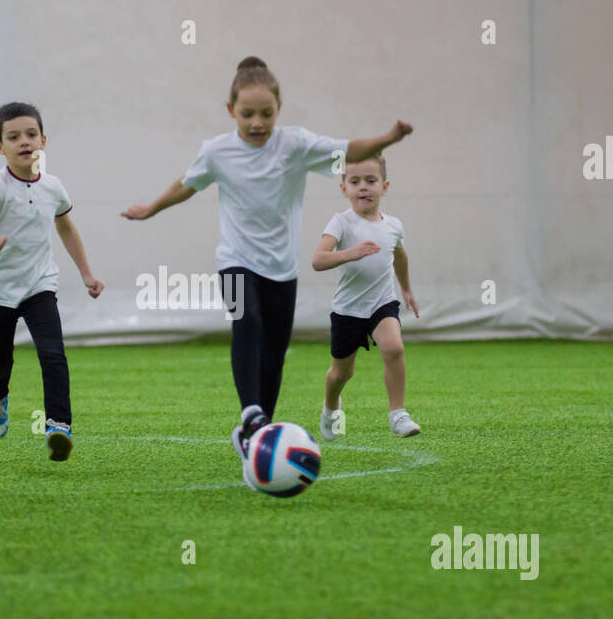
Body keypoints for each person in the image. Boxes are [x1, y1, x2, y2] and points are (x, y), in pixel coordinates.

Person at [122, 57, 412, 459]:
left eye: (265, 114)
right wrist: (151, 208)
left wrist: (387, 139)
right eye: (247, 115)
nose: (257, 123)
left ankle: (257, 434)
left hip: (281, 269)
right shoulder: (217, 151)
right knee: (247, 324)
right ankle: (251, 413)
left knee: (275, 351)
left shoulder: (295, 145)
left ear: (279, 110)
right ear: (230, 111)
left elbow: (348, 151)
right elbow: (187, 185)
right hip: (235, 262)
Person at [0, 101, 103, 461]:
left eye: (31, 134)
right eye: (13, 137)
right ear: (0, 146)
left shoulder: (53, 187)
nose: (24, 142)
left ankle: (59, 426)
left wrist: (86, 273)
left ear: (43, 140)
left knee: (53, 354)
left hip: (40, 285)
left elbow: (66, 227)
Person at [312, 154, 421, 440]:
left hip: (382, 303)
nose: (363, 187)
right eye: (355, 181)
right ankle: (331, 407)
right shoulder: (341, 223)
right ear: (343, 188)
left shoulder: (393, 225)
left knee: (394, 348)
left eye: (371, 181)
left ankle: (398, 414)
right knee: (341, 374)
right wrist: (351, 253)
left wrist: (406, 289)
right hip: (348, 310)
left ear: (384, 187)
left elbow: (399, 255)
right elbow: (318, 260)